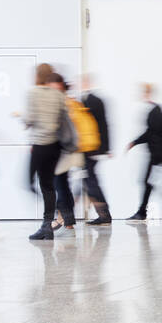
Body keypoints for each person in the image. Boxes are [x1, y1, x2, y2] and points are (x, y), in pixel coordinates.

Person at [21, 63, 67, 240]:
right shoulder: (58, 94)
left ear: (37, 75)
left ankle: (46, 224)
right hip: (55, 146)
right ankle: (47, 225)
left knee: (30, 182)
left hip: (40, 145)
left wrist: (22, 118)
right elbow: (63, 118)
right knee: (48, 186)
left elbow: (29, 120)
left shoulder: (32, 93)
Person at [50, 73, 99, 233]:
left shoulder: (66, 104)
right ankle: (67, 220)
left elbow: (64, 129)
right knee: (64, 185)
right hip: (71, 151)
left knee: (60, 184)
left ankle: (62, 218)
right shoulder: (72, 102)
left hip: (66, 151)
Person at [126, 83, 162, 221]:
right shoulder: (155, 110)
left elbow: (152, 133)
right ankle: (142, 212)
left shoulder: (155, 111)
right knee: (149, 183)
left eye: (143, 93)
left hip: (157, 154)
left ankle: (142, 212)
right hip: (157, 153)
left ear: (148, 94)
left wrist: (134, 142)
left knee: (151, 183)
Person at [80, 75, 113, 225]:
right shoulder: (85, 100)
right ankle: (103, 213)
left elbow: (103, 125)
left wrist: (105, 148)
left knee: (90, 180)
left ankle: (104, 214)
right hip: (89, 148)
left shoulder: (93, 101)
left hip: (92, 148)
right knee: (89, 179)